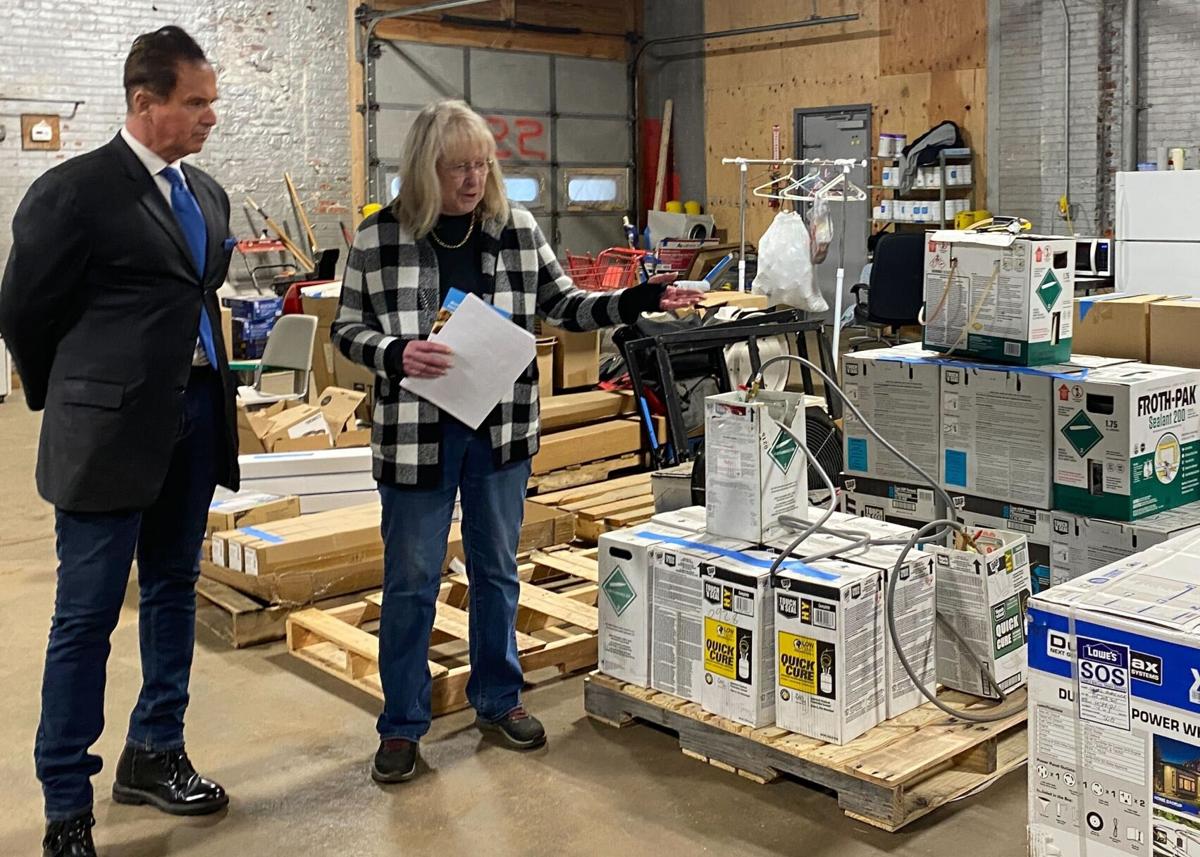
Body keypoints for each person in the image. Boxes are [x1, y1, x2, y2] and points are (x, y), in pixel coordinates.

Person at [332, 99, 701, 783]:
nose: (473, 180)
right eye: (456, 168)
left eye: (481, 165)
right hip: (416, 437)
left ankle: (498, 698)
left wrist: (638, 300)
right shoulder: (379, 236)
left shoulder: (515, 229)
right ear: (425, 168)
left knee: (498, 570)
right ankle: (402, 724)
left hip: (498, 432)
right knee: (411, 581)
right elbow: (345, 330)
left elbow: (566, 306)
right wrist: (396, 353)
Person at [0, 26, 239, 857]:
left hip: (196, 423)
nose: (211, 115)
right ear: (145, 101)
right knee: (87, 615)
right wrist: (76, 397)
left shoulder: (207, 194)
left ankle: (155, 751)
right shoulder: (73, 192)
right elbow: (25, 313)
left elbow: (198, 294)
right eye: (196, 102)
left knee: (173, 591)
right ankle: (66, 803)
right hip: (105, 436)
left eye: (212, 100)